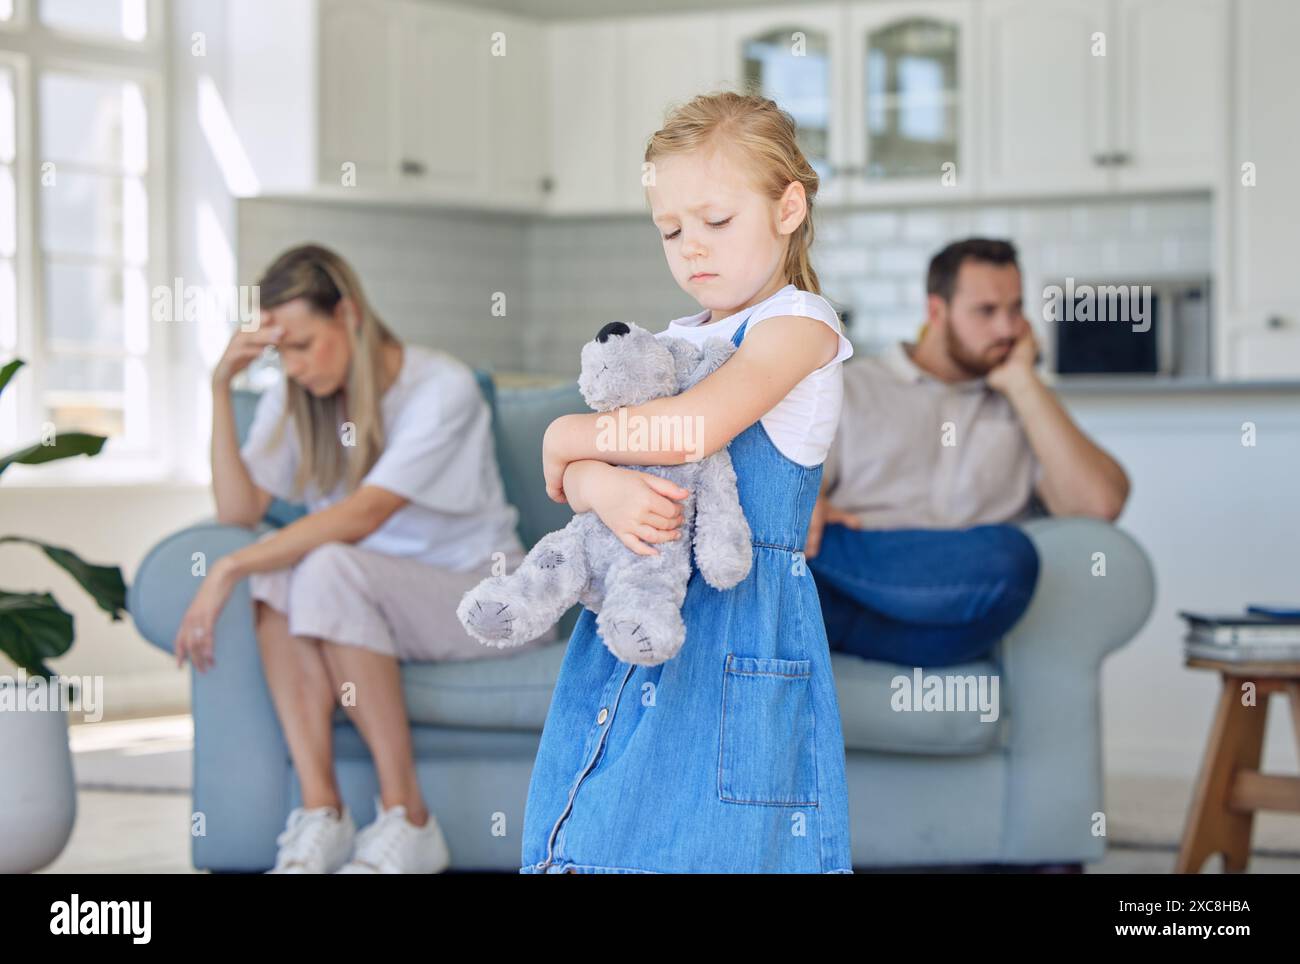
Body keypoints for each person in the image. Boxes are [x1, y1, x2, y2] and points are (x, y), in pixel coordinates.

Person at [511, 91, 856, 873]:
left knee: (717, 842)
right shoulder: (668, 342)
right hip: (641, 619)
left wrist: (568, 436)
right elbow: (584, 483)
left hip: (739, 627)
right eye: (671, 230)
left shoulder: (800, 326)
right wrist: (602, 487)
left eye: (717, 221)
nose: (692, 248)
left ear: (788, 206)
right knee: (604, 825)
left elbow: (692, 430)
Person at [173, 244, 550, 873]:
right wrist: (219, 389)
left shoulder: (442, 388)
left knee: (318, 564)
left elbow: (365, 514)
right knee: (290, 573)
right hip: (363, 605)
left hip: (482, 599)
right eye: (279, 352)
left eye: (303, 344)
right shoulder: (298, 398)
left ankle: (410, 817)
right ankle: (323, 815)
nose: (292, 366)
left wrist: (228, 568)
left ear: (347, 313)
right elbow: (238, 512)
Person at [805, 237, 1131, 667]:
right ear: (936, 313)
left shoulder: (1025, 406)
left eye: (1015, 310)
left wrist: (1022, 382)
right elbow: (804, 503)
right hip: (864, 576)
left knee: (1010, 561)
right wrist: (811, 502)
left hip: (960, 603)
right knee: (795, 537)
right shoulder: (855, 387)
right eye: (987, 311)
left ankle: (844, 618)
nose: (1007, 329)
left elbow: (1099, 504)